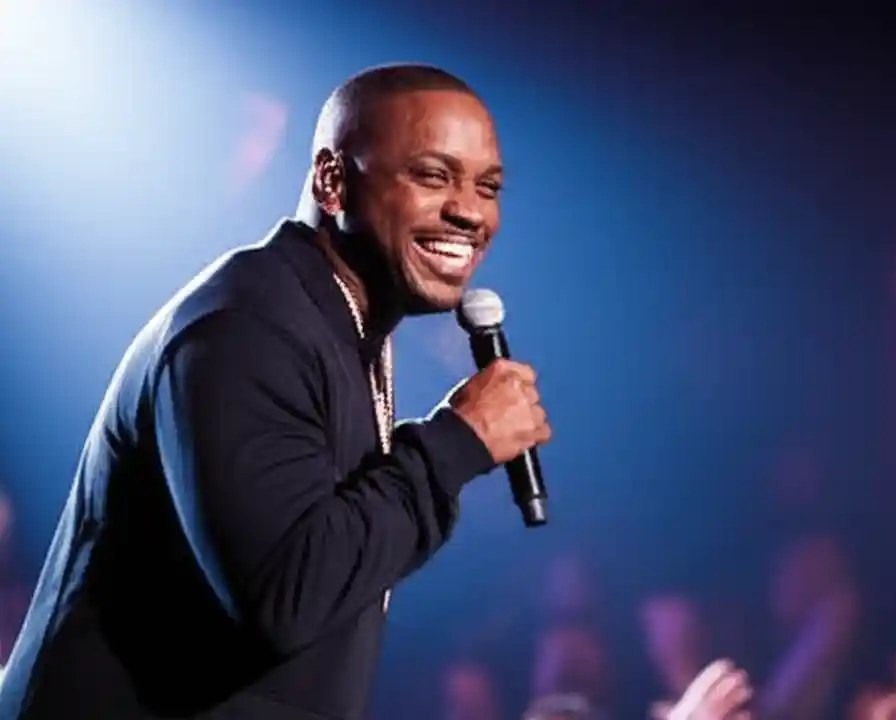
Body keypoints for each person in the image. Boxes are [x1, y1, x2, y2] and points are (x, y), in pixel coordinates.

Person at [0, 63, 552, 719]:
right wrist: (455, 444)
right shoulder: (246, 326)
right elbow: (285, 595)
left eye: (488, 187)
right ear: (332, 180)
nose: (470, 211)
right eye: (433, 176)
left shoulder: (345, 325)